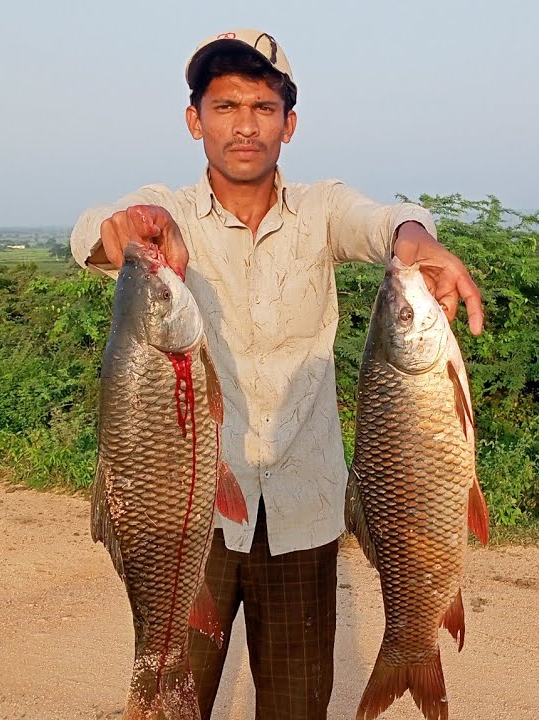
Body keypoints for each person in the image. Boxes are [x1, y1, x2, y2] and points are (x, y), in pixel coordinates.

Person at [69, 28, 485, 720]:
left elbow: (387, 222)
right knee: (174, 694)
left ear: (289, 124)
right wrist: (129, 225)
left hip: (303, 507)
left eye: (263, 108)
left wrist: (419, 243)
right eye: (225, 106)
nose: (245, 125)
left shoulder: (321, 209)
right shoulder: (169, 212)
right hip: (192, 514)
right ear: (194, 120)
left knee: (296, 707)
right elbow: (94, 231)